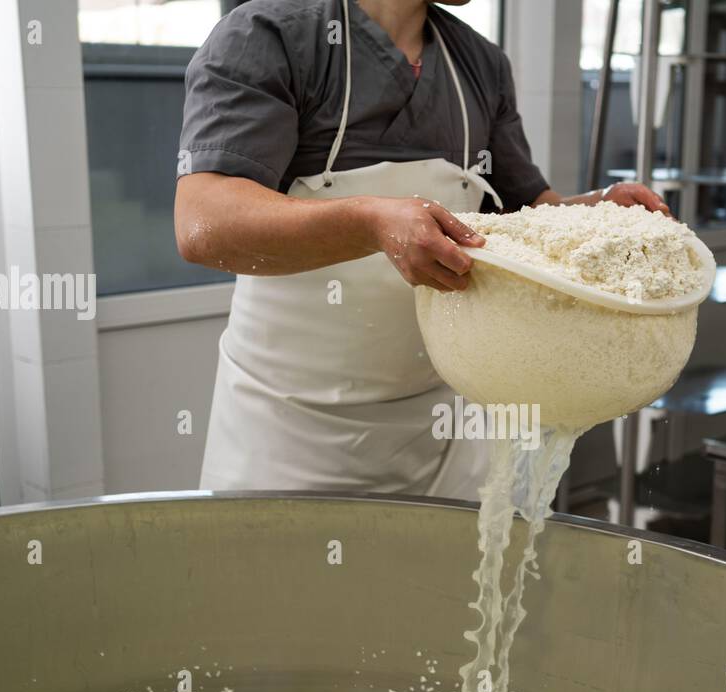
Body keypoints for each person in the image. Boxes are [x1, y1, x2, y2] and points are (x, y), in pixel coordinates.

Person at [176, 0, 665, 498]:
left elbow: (523, 219)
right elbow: (205, 222)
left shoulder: (478, 62)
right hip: (289, 432)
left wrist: (597, 212)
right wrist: (370, 224)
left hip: (444, 428)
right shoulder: (268, 37)